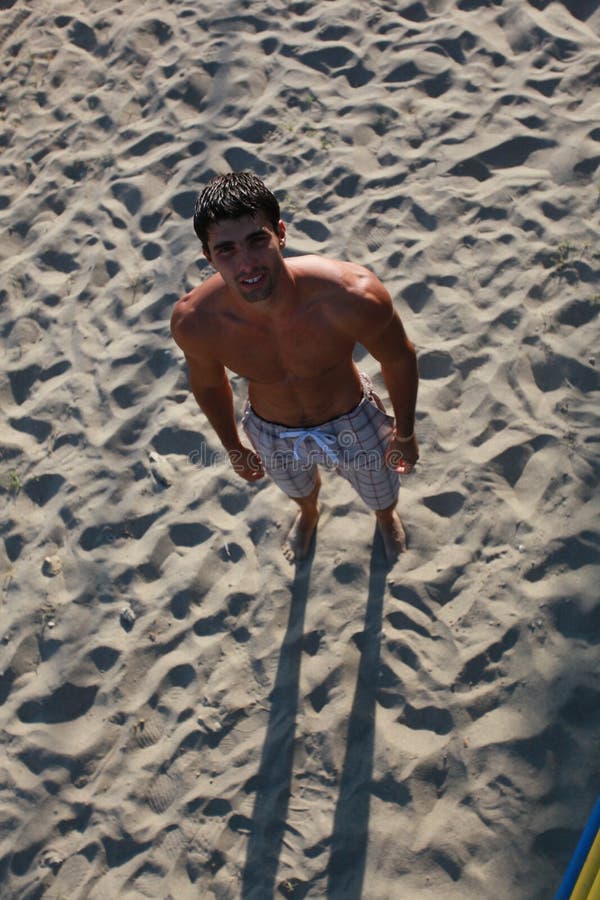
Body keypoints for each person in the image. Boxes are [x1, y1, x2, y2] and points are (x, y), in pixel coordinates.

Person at [170, 171, 419, 563]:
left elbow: (398, 357)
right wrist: (234, 446)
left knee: (381, 490)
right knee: (298, 489)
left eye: (257, 241)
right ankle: (308, 513)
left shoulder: (352, 296)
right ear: (208, 256)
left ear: (280, 234)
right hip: (271, 429)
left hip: (352, 418)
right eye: (227, 250)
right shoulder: (196, 322)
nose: (247, 264)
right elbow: (208, 384)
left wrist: (404, 433)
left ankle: (385, 517)